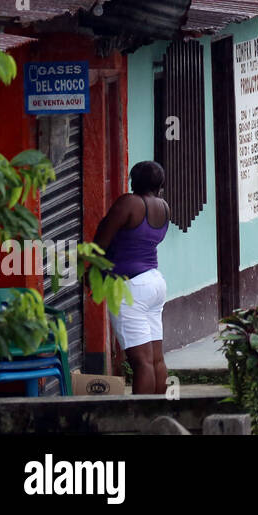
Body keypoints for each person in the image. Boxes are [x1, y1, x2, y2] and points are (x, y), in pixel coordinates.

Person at [93, 160, 170, 395]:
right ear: (160, 184)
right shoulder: (163, 207)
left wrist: (92, 274)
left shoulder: (129, 203)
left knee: (140, 362)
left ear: (133, 181)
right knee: (156, 358)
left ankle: (141, 420)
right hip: (155, 281)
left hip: (131, 286)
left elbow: (101, 243)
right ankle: (161, 416)